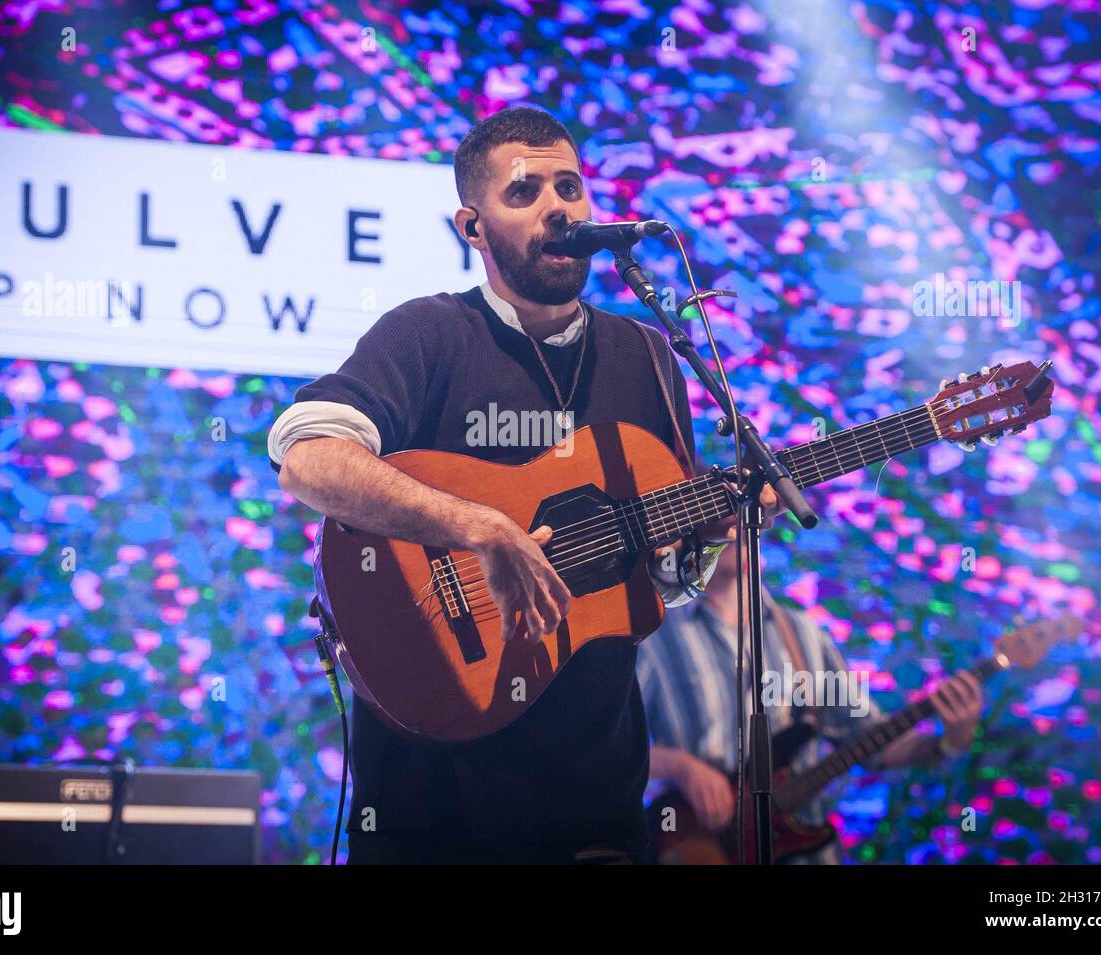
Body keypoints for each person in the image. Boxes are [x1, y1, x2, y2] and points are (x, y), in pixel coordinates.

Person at [269, 106, 773, 863]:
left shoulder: (647, 356)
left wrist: (709, 531)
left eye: (569, 187)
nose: (558, 207)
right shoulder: (429, 333)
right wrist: (480, 527)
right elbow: (307, 457)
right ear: (472, 228)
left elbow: (661, 585)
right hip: (430, 815)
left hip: (597, 812)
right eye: (524, 192)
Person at [639, 535, 985, 863]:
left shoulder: (802, 632)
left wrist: (950, 741)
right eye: (719, 517)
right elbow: (614, 752)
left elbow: (871, 741)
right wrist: (680, 767)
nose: (735, 530)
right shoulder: (653, 637)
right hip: (700, 844)